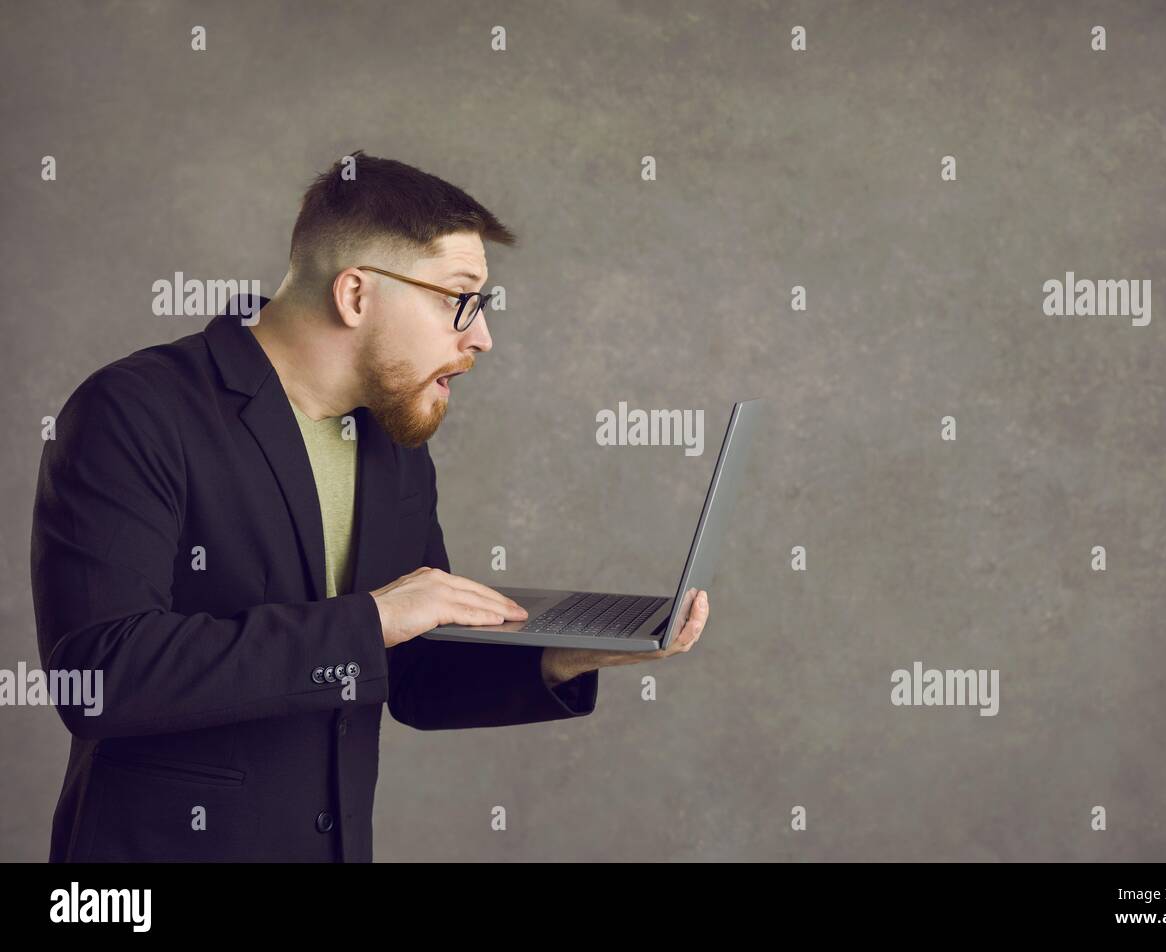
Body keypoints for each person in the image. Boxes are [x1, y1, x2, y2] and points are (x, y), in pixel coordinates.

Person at [31, 150, 709, 862]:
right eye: (460, 299)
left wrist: (569, 655)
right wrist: (373, 617)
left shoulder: (391, 442)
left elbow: (410, 671)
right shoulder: (135, 411)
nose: (481, 336)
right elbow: (102, 679)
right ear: (356, 295)